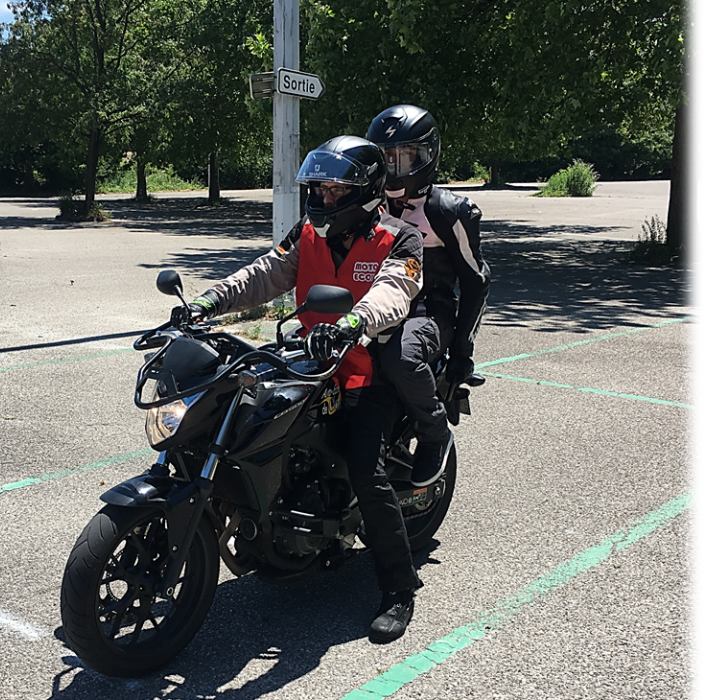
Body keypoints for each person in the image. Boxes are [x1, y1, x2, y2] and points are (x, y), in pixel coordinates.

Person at [173, 136, 425, 643]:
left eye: (336, 191)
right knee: (242, 417)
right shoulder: (307, 230)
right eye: (319, 190)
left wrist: (355, 321)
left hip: (367, 370)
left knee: (366, 471)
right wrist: (206, 302)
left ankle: (399, 590)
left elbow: (395, 290)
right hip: (308, 361)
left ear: (368, 192)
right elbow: (266, 273)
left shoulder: (400, 239)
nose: (325, 200)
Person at [365, 104, 491, 487]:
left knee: (401, 358)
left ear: (428, 154)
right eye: (387, 157)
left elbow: (476, 281)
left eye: (407, 156)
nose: (396, 167)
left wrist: (462, 353)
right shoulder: (369, 202)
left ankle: (434, 435)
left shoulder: (448, 210)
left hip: (427, 311)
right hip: (373, 307)